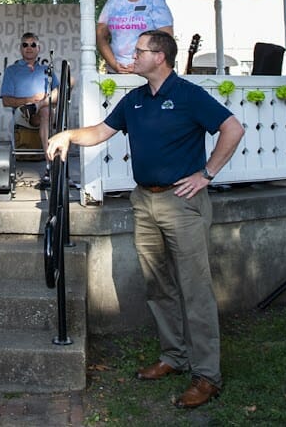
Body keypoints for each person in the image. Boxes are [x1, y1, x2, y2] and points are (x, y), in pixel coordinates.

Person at [46, 30, 244, 410]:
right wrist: (68, 134)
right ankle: (174, 356)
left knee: (195, 289)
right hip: (144, 202)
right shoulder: (134, 99)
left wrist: (207, 174)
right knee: (158, 285)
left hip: (182, 204)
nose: (131, 56)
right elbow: (101, 132)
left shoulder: (188, 95)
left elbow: (232, 129)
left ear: (160, 58)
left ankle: (206, 376)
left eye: (139, 51)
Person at [96, 0, 174, 73]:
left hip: (147, 73)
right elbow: (100, 36)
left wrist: (141, 65)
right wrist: (114, 64)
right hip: (116, 71)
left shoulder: (155, 2)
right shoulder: (112, 3)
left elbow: (166, 41)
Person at [0, 31, 61, 182]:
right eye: (25, 44)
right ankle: (50, 166)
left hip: (44, 112)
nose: (29, 47)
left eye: (33, 44)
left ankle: (40, 105)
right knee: (46, 111)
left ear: (39, 48)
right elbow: (6, 101)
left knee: (70, 82)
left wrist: (41, 102)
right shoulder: (12, 70)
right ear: (20, 48)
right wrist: (30, 99)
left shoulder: (46, 70)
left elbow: (60, 94)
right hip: (23, 113)